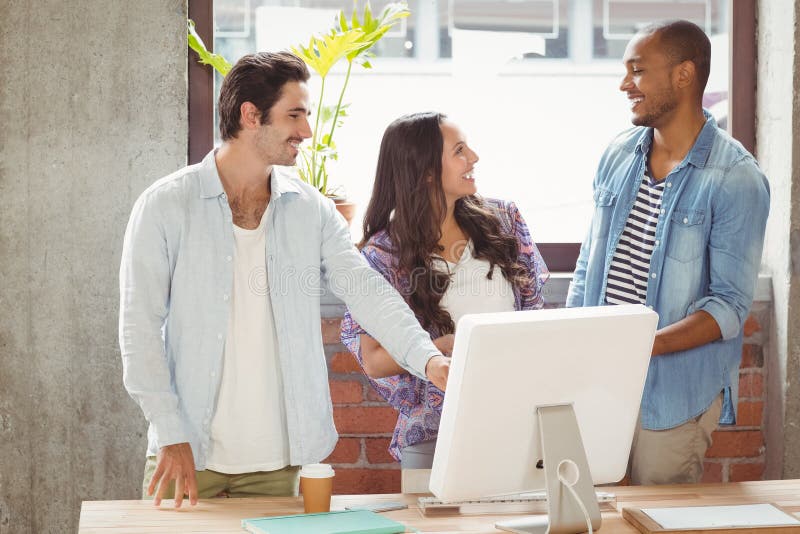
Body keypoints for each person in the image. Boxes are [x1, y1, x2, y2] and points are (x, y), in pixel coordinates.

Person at [118, 52, 450, 508]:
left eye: (307, 115)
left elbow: (367, 290)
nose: (307, 131)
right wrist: (170, 432)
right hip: (187, 454)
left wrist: (428, 360)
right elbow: (138, 330)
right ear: (250, 115)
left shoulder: (311, 210)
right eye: (294, 115)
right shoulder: (166, 206)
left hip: (282, 462)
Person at [566, 20, 770, 485]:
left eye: (637, 71)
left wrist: (640, 346)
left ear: (684, 75)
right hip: (598, 385)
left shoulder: (736, 177)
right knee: (588, 514)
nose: (624, 84)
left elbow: (728, 308)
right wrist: (576, 351)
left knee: (656, 519)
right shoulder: (617, 154)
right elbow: (586, 268)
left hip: (674, 395)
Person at [340, 112, 549, 469]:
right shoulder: (384, 253)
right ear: (426, 172)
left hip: (517, 420)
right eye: (459, 151)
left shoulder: (505, 219)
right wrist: (436, 350)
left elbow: (533, 313)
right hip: (435, 433)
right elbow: (373, 360)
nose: (474, 158)